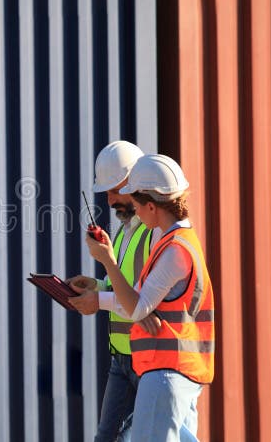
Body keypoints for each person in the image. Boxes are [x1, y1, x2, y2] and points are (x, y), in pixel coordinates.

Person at [83, 154, 215, 442]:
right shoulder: (176, 243)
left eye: (138, 205)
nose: (137, 213)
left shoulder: (173, 251)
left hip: (165, 372)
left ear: (152, 206)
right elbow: (137, 299)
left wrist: (106, 260)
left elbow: (137, 306)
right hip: (175, 371)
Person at [65, 141, 162, 442]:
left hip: (148, 360)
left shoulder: (155, 232)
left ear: (136, 184)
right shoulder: (123, 232)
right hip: (122, 358)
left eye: (114, 191)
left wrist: (99, 300)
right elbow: (120, 288)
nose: (108, 201)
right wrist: (95, 286)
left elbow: (143, 301)